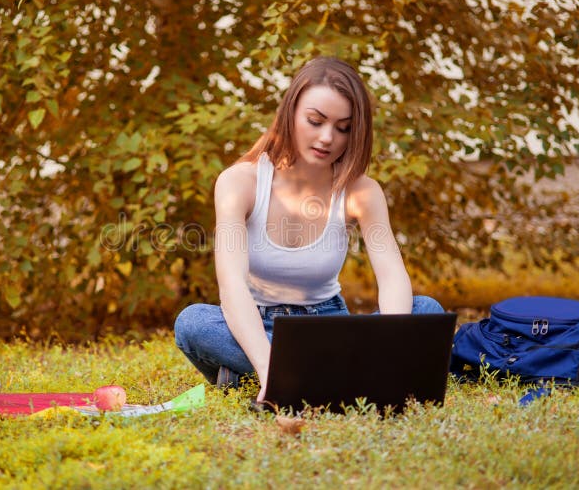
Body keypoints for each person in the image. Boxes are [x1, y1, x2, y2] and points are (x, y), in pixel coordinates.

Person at [174, 56, 443, 403]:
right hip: (260, 327)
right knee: (193, 323)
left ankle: (280, 377)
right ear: (290, 112)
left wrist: (390, 344)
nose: (327, 137)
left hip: (331, 326)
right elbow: (232, 286)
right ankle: (301, 374)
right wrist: (273, 370)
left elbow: (392, 276)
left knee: (426, 310)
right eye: (315, 121)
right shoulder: (239, 182)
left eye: (344, 128)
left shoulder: (362, 191)